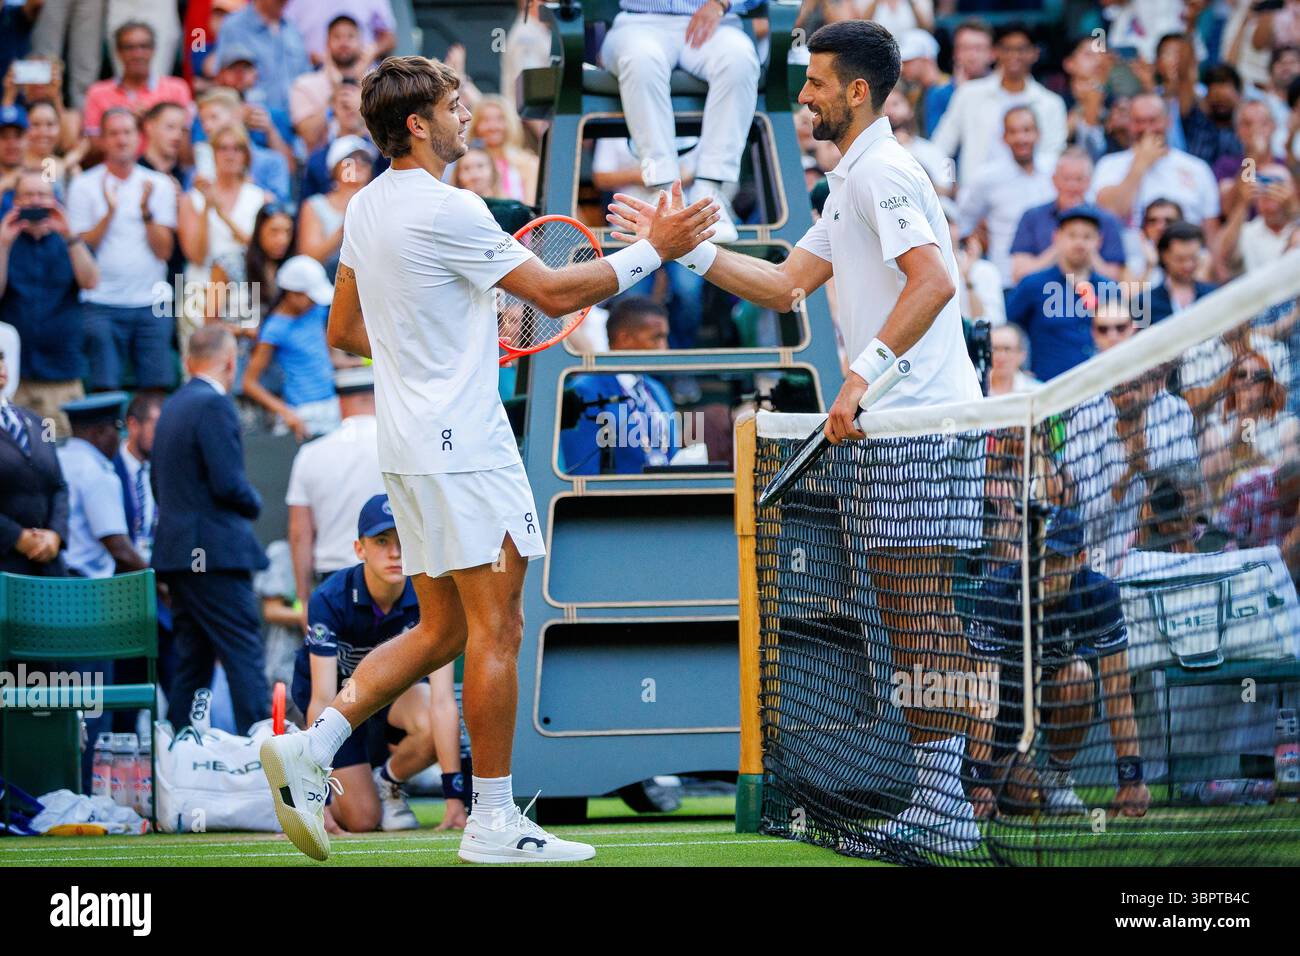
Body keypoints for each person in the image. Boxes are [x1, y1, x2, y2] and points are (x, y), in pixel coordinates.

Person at [259, 53, 716, 863]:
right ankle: (494, 821)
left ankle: (314, 745)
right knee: (498, 626)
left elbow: (344, 334)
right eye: (454, 106)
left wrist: (436, 351)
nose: (466, 117)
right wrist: (662, 248)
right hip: (464, 447)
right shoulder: (458, 210)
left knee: (440, 629)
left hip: (407, 445)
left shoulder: (364, 208)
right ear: (417, 124)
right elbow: (559, 293)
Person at [611, 20, 985, 855]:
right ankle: (943, 797)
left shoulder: (883, 172)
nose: (803, 93)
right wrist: (681, 251)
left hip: (914, 423)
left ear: (857, 91)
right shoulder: (852, 179)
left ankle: (950, 804)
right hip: (897, 424)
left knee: (923, 615)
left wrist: (863, 375)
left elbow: (934, 282)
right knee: (912, 613)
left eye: (816, 82)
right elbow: (784, 286)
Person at [294, 494, 468, 833]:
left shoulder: (430, 598)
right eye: (382, 541)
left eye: (404, 540)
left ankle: (388, 780)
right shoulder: (329, 599)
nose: (395, 552)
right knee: (364, 820)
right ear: (360, 549)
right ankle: (296, 782)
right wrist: (319, 803)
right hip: (337, 705)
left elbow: (445, 702)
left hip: (393, 701)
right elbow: (321, 699)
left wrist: (454, 801)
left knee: (435, 712)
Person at [965, 507, 1149, 819]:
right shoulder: (998, 594)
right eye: (1039, 556)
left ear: (1080, 560)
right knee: (1022, 801)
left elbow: (1118, 691)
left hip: (1049, 697)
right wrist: (978, 780)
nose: (1045, 569)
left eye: (1057, 558)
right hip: (1000, 713)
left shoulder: (1100, 594)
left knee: (1078, 676)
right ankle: (998, 771)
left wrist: (1131, 778)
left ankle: (1058, 779)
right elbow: (983, 696)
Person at [151, 325, 270, 735]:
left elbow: (158, 486)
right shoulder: (214, 405)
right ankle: (265, 765)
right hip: (214, 555)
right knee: (244, 656)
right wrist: (255, 501)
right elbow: (228, 483)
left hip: (180, 557)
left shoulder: (172, 406)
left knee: (193, 662)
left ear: (188, 362)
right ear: (231, 363)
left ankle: (175, 757)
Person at [599, 0, 763, 242]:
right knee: (641, 60)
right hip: (637, 21)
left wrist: (721, 3)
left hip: (716, 22)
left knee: (739, 60)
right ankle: (663, 194)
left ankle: (710, 196)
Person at [66, 107, 178, 391]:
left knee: (156, 388)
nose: (121, 140)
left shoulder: (159, 184)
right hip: (100, 301)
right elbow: (81, 247)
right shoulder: (83, 185)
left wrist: (146, 212)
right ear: (102, 140)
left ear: (138, 138)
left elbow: (164, 251)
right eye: (113, 133)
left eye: (127, 132)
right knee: (105, 389)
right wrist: (108, 214)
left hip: (153, 301)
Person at [0, 169, 97, 436]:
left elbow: (90, 281)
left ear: (54, 200)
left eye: (42, 195)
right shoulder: (5, 241)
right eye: (28, 195)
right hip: (14, 377)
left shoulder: (69, 241)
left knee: (62, 449)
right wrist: (3, 245)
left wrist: (70, 236)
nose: (35, 201)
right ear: (15, 202)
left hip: (61, 373)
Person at [286, 365, 384, 621]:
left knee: (335, 661)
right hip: (393, 579)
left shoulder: (311, 454)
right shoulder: (400, 447)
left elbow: (300, 535)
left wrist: (303, 600)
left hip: (333, 582)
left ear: (340, 403)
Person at [931, 21, 1067, 185]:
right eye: (1007, 49)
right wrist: (948, 183)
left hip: (1032, 198)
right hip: (975, 200)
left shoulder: (1051, 104)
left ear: (1034, 53)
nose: (1014, 55)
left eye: (1021, 49)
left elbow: (1053, 158)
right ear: (995, 52)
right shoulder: (969, 94)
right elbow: (941, 148)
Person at [561, 297, 681, 474]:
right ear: (624, 338)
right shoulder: (582, 391)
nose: (665, 348)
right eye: (656, 338)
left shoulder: (656, 389)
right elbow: (582, 473)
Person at [1089, 91, 1221, 242]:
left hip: (1185, 258)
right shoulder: (1109, 164)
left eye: (1153, 121)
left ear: (1168, 121)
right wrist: (1140, 164)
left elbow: (1211, 231)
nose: (1147, 129)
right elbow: (1109, 214)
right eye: (1139, 121)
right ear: (1130, 124)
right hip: (1130, 259)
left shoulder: (1197, 168)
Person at [1006, 206, 1114, 380]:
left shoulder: (1109, 288)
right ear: (1056, 237)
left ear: (1098, 241)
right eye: (1072, 235)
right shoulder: (1033, 285)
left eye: (1087, 236)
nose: (1079, 243)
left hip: (1099, 387)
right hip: (1048, 389)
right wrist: (1020, 370)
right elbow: (1009, 326)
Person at [241, 254, 340, 440]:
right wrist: (285, 412)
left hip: (333, 404)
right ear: (292, 293)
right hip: (302, 414)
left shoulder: (316, 310)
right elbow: (249, 383)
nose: (313, 302)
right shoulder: (275, 328)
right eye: (309, 297)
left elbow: (324, 355)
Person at [955, 104, 1055, 288]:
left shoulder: (1055, 170)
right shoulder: (987, 178)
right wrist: (977, 244)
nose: (1021, 138)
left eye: (1027, 130)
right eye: (1013, 132)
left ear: (1038, 134)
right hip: (1007, 280)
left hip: (1054, 278)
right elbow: (961, 221)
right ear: (1004, 137)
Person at [56, 391, 146, 579]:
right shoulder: (95, 471)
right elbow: (119, 549)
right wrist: (158, 583)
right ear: (98, 433)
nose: (119, 437)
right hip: (87, 588)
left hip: (52, 579)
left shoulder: (58, 459)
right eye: (117, 428)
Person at [1009, 148, 1127, 284]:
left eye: (1079, 179)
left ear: (1089, 182)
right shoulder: (1032, 217)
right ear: (1054, 180)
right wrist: (1060, 247)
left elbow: (1114, 280)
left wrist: (1084, 248)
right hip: (1042, 296)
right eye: (1066, 178)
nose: (1072, 186)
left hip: (1091, 298)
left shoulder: (1107, 220)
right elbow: (1019, 275)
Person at [0, 345, 67, 576]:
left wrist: (55, 535)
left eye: (1, 358)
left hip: (48, 563)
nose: (1, 366)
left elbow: (59, 486)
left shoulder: (36, 420)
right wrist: (17, 537)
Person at [81, 21, 193, 144]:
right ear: (118, 52)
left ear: (153, 50)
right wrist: (126, 124)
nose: (137, 54)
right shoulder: (98, 92)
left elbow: (186, 151)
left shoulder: (177, 89)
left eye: (144, 46)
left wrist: (152, 123)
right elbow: (91, 152)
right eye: (129, 47)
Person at [289, 13, 376, 150]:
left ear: (361, 43)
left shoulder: (379, 84)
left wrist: (363, 91)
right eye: (337, 37)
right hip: (324, 168)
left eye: (350, 36)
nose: (344, 43)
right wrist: (335, 94)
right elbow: (308, 138)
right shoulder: (304, 85)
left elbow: (391, 140)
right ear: (327, 44)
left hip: (373, 165)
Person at [213, 0, 311, 120]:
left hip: (296, 124)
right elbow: (223, 81)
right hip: (254, 124)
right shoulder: (234, 27)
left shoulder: (292, 29)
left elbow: (306, 77)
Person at [298, 134, 375, 274]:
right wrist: (344, 229)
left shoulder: (378, 203)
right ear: (335, 166)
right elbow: (308, 260)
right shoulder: (315, 205)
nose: (359, 163)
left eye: (365, 159)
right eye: (351, 159)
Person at [922, 17, 994, 137]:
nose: (972, 56)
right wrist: (960, 94)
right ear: (955, 53)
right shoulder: (938, 94)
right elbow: (936, 145)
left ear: (992, 54)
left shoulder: (1003, 89)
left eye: (979, 48)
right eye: (965, 48)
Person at [113, 390, 162, 564]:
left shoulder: (166, 467)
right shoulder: (110, 467)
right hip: (119, 573)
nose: (162, 435)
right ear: (133, 425)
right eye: (157, 427)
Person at [1146, 221, 1217, 324]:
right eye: (1180, 259)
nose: (1187, 265)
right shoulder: (1143, 303)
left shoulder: (1213, 294)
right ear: (1164, 256)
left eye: (1193, 258)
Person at [986, 324, 1038, 396]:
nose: (1001, 356)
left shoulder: (1036, 392)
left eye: (1007, 349)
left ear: (1022, 355)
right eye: (994, 349)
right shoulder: (975, 389)